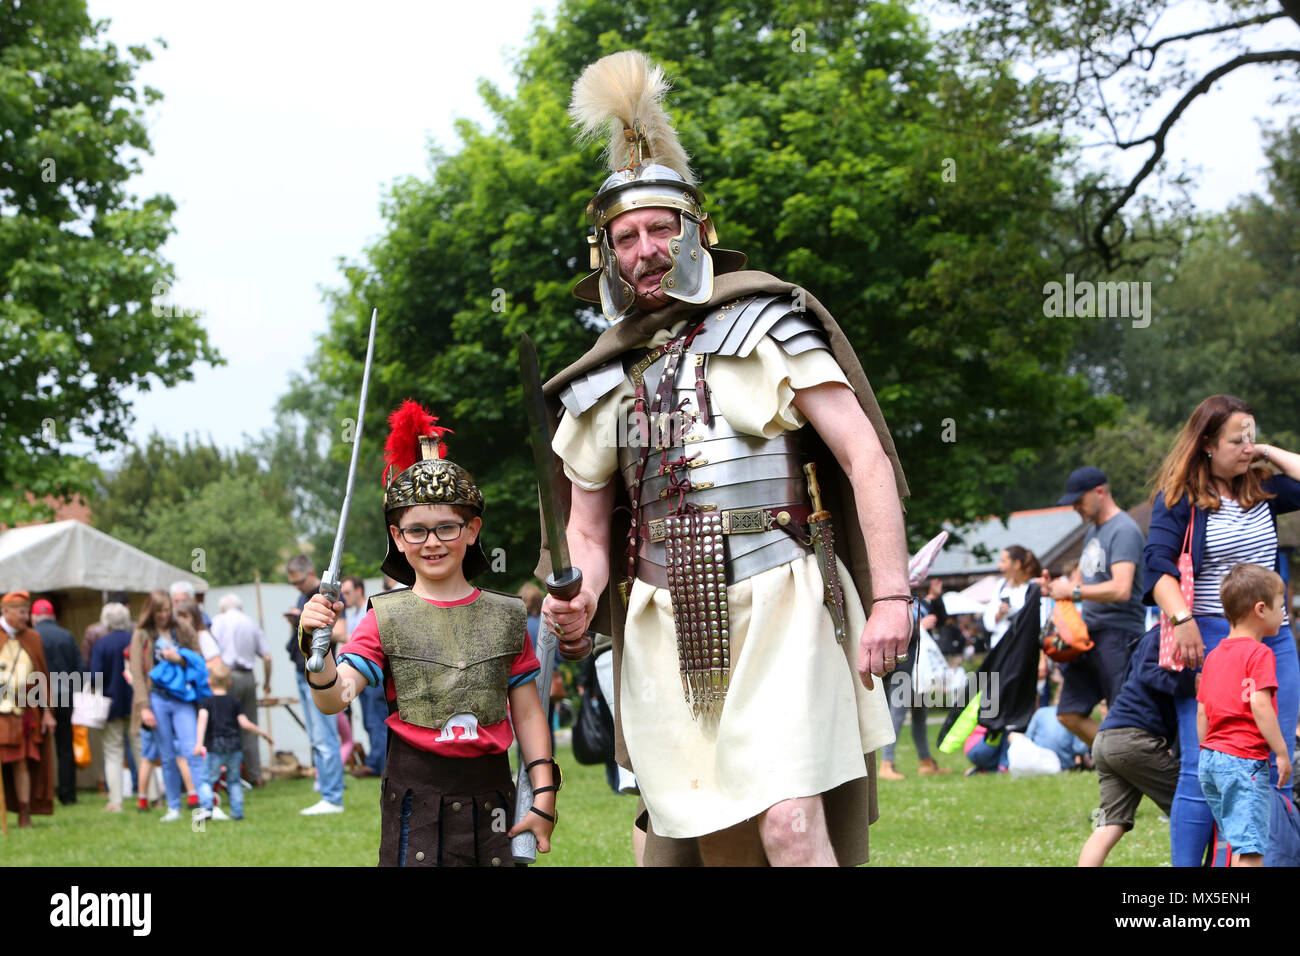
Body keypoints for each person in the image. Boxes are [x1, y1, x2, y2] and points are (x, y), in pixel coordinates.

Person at [540, 51, 910, 867]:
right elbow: (590, 534)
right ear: (606, 253)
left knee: (789, 822)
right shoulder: (597, 384)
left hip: (781, 597)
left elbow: (865, 458)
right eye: (625, 236)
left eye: (660, 229)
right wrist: (580, 597)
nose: (644, 249)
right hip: (662, 619)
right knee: (707, 837)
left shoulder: (768, 324)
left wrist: (892, 596)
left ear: (697, 233)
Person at [298, 402, 557, 865]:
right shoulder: (383, 616)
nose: (432, 542)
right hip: (414, 796)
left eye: (446, 528)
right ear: (397, 538)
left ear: (472, 529)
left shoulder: (506, 616)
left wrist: (543, 796)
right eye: (416, 531)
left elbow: (530, 715)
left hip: (494, 795)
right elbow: (335, 698)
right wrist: (317, 655)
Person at [1144, 394, 1300, 866]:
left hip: (1276, 640)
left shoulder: (1262, 490)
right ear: (1207, 443)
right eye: (1237, 440)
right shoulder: (1180, 501)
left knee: (1277, 760)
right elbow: (1157, 568)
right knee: (1202, 768)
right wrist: (1182, 620)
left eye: (1251, 436)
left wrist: (1268, 451)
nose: (1246, 448)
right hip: (1214, 639)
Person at [1195, 564, 1292, 866]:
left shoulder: (1214, 655)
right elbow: (1260, 705)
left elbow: (1202, 712)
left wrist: (1210, 749)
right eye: (1282, 606)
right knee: (1251, 850)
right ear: (1261, 609)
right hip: (1244, 762)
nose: (1284, 613)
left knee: (1238, 843)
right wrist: (1282, 752)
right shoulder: (1260, 654)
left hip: (1210, 761)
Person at [1042, 467, 1146, 748]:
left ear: (1100, 491)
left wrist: (1073, 591)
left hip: (1119, 636)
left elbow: (1121, 589)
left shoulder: (1124, 529)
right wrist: (1054, 588)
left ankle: (1127, 763)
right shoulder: (1093, 533)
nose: (1075, 507)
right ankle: (1117, 757)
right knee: (1068, 713)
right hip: (1089, 634)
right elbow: (1079, 581)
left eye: (1079, 501)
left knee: (1121, 718)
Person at [1077, 624, 1194, 866]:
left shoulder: (1147, 640)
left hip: (1105, 739)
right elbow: (1150, 673)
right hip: (1134, 742)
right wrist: (1193, 682)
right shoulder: (1165, 634)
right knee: (1193, 808)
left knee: (1108, 823)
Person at [129, 590, 213, 823]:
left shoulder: (182, 628)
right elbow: (136, 671)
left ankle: (206, 805)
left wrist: (180, 659)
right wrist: (144, 706)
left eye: (167, 610)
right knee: (166, 755)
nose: (164, 615)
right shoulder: (142, 633)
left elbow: (199, 658)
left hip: (183, 696)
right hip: (156, 697)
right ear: (151, 611)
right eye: (159, 611)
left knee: (192, 749)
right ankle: (173, 807)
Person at [284, 554, 346, 815]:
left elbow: (342, 632)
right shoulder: (304, 598)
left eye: (299, 581)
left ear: (310, 572)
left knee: (325, 737)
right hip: (304, 672)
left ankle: (332, 797)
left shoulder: (325, 597)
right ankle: (326, 790)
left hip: (321, 674)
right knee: (317, 738)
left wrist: (318, 624)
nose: (297, 586)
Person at [0, 591, 57, 827]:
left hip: (24, 710)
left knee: (22, 762)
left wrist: (47, 712)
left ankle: (25, 813)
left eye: (27, 612)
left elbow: (42, 676)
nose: (26, 617)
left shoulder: (33, 638)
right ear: (6, 612)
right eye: (22, 612)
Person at [194, 665, 273, 822]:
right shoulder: (234, 702)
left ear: (209, 682)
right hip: (234, 748)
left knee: (206, 780)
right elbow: (245, 724)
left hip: (214, 748)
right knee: (234, 781)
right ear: (229, 683)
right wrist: (263, 733)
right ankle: (237, 813)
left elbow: (202, 721)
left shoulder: (206, 703)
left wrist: (198, 743)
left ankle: (206, 808)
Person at [210, 593, 272, 786]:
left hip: (225, 678)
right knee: (250, 725)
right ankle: (255, 775)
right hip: (248, 677)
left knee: (225, 726)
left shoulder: (217, 621)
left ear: (222, 608)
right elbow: (267, 657)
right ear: (241, 607)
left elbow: (213, 655)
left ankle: (228, 776)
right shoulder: (250, 622)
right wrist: (267, 682)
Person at [29, 598, 84, 805]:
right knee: (65, 747)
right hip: (64, 695)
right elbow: (80, 668)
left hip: (37, 696)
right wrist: (73, 691)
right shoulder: (66, 635)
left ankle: (41, 793)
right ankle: (68, 795)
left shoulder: (32, 636)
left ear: (34, 617)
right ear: (52, 616)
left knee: (39, 746)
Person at [90, 602, 137, 812]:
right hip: (136, 703)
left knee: (112, 752)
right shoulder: (134, 640)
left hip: (109, 705)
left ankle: (116, 801)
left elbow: (95, 677)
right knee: (142, 749)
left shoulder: (102, 644)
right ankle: (153, 796)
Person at [982, 546, 1042, 649]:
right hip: (999, 646)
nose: (999, 566)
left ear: (1017, 564)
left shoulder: (1032, 587)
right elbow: (988, 619)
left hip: (1022, 647)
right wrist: (999, 614)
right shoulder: (1001, 586)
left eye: (1003, 561)